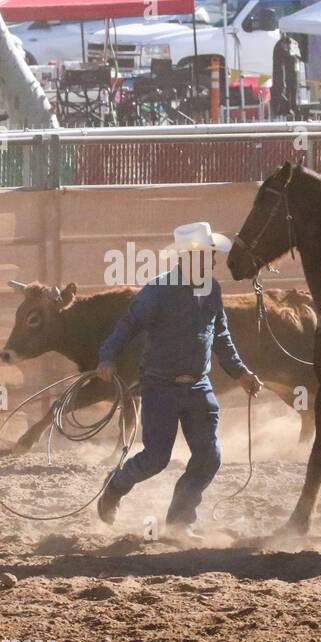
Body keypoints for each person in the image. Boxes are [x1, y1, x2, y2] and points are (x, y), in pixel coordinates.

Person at [95, 222, 262, 533]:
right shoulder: (158, 291)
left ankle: (179, 521)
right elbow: (128, 325)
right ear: (189, 257)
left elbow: (221, 335)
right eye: (209, 255)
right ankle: (116, 486)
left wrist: (240, 372)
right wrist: (107, 357)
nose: (213, 262)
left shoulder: (212, 289)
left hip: (199, 386)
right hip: (160, 387)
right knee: (156, 458)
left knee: (209, 458)